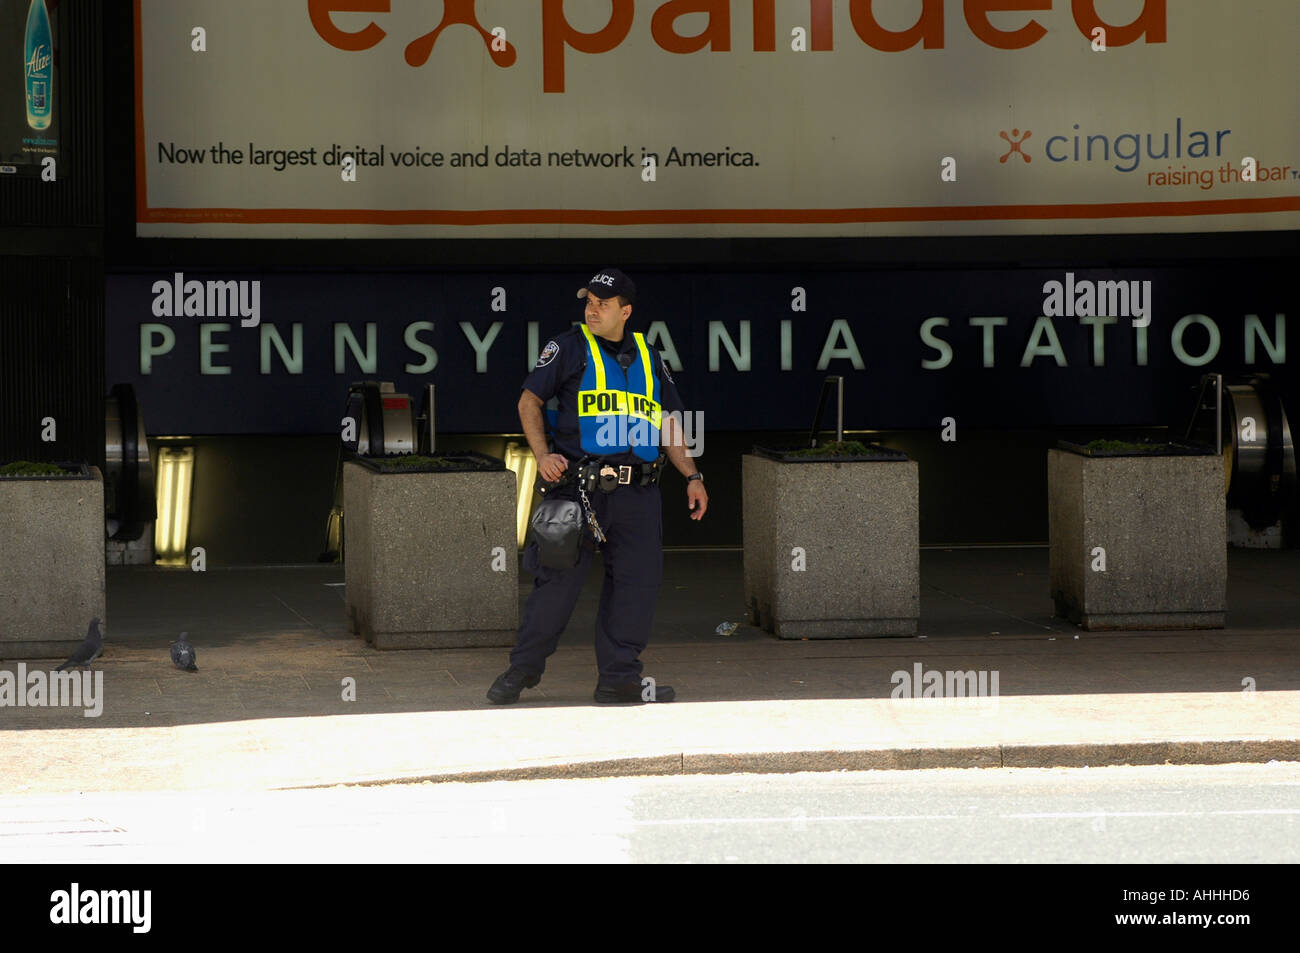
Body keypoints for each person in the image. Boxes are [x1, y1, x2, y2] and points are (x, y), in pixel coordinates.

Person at [487, 267, 708, 705]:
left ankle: (620, 680)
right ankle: (522, 670)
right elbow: (529, 400)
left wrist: (693, 475)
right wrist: (542, 454)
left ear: (626, 311)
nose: (592, 310)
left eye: (603, 304)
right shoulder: (568, 347)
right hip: (577, 490)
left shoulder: (651, 357)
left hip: (638, 493)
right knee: (555, 586)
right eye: (589, 302)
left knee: (635, 588)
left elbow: (669, 422)